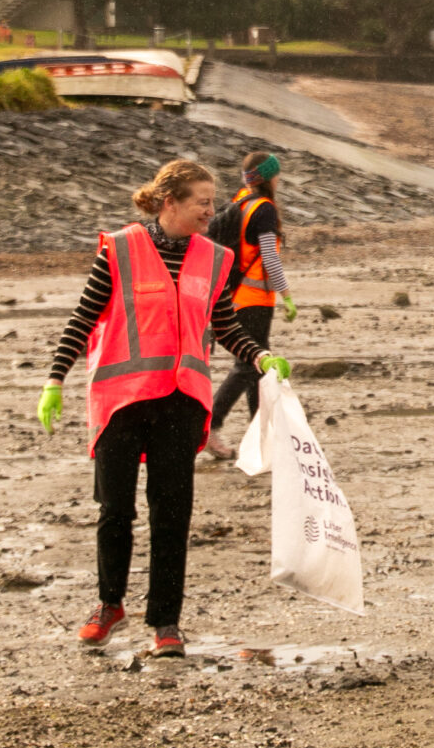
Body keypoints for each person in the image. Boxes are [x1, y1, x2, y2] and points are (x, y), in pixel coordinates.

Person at [35, 159, 292, 657]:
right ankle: (109, 605)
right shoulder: (122, 250)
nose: (211, 211)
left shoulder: (214, 259)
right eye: (202, 202)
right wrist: (54, 379)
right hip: (121, 402)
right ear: (169, 203)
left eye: (212, 201)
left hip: (182, 402)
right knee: (115, 510)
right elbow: (83, 317)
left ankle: (165, 623)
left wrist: (261, 356)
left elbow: (226, 327)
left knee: (172, 514)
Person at [206, 151, 298, 459]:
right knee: (248, 365)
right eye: (277, 174)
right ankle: (211, 425)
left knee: (257, 367)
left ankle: (262, 435)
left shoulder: (240, 202)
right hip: (254, 299)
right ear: (270, 177)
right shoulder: (264, 209)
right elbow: (269, 257)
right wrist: (286, 295)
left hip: (234, 297)